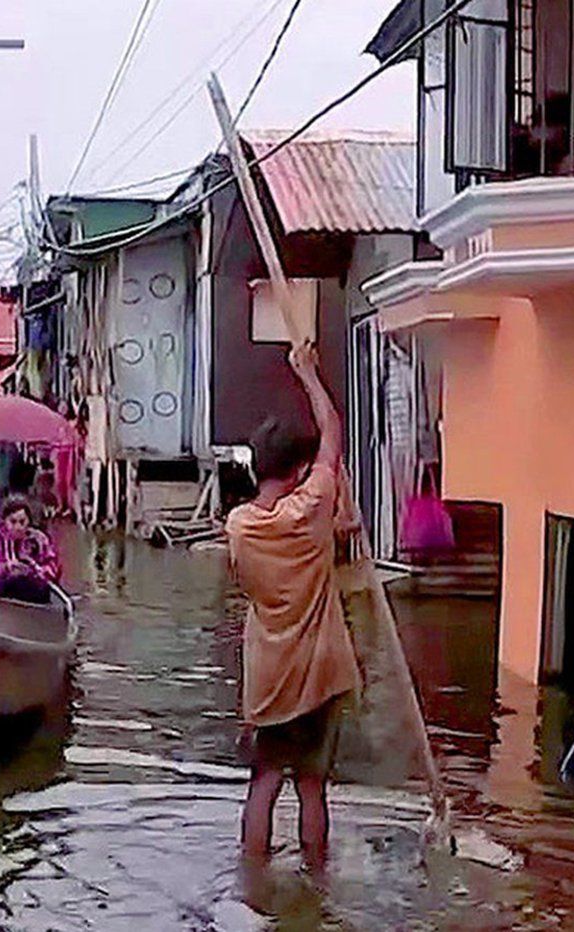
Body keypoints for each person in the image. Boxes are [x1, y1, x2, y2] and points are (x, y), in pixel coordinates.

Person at [225, 342, 362, 875]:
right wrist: (306, 373)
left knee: (262, 784)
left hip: (269, 672)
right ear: (300, 467)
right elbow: (334, 434)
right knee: (312, 787)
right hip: (320, 666)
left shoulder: (240, 526)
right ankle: (316, 880)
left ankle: (253, 878)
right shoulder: (310, 508)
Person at [0, 495, 61, 603]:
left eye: (22, 522)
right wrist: (5, 568)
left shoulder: (39, 540)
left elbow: (51, 567)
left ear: (28, 521)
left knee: (32, 586)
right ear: (4, 521)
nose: (17, 527)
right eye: (13, 522)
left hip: (29, 588)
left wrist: (33, 571)